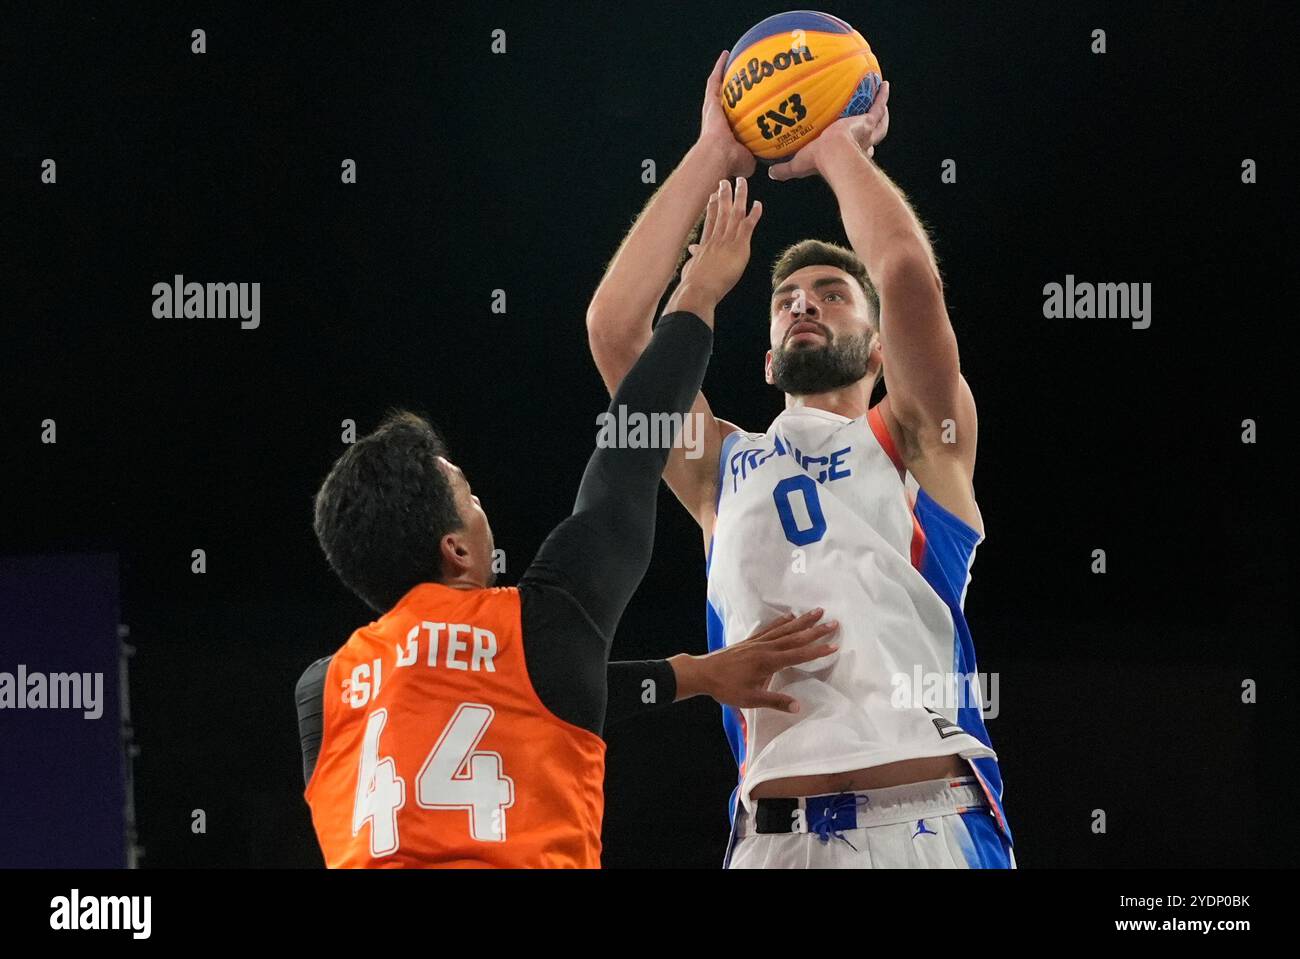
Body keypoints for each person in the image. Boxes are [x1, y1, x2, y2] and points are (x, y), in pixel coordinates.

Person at [294, 193, 838, 867]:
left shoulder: (322, 688)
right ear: (455, 547)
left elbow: (534, 693)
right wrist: (700, 288)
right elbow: (631, 450)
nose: (482, 502)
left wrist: (693, 674)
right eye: (469, 495)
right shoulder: (542, 624)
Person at [584, 51, 1014, 868]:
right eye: (785, 301)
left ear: (878, 350)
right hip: (774, 838)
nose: (803, 303)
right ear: (769, 361)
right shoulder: (718, 468)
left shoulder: (918, 439)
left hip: (928, 822)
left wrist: (835, 151)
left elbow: (908, 275)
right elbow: (615, 330)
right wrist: (714, 157)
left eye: (830, 294)